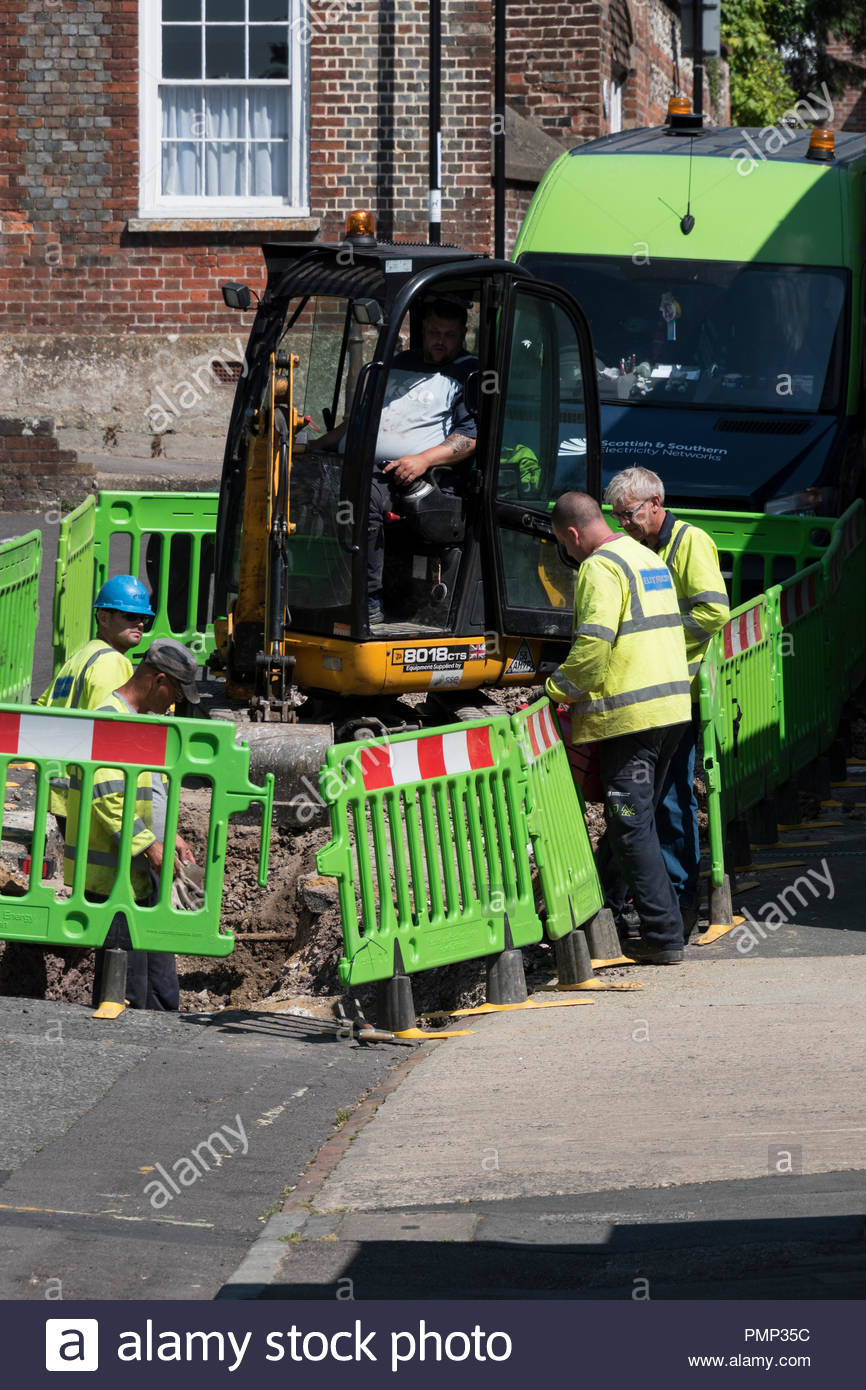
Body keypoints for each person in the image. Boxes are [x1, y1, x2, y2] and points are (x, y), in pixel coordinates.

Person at [545, 492, 691, 964]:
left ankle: (664, 935)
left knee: (631, 826)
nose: (566, 555)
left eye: (562, 545)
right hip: (669, 708)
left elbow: (591, 653)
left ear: (572, 534)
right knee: (632, 818)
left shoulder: (599, 568)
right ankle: (606, 909)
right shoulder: (645, 558)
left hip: (630, 718)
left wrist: (553, 690)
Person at [604, 468, 729, 940]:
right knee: (658, 796)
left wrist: (664, 644)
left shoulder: (689, 542)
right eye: (617, 517)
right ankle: (662, 897)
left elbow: (714, 610)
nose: (624, 525)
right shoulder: (640, 547)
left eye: (630, 514)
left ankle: (679, 900)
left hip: (681, 687)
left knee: (673, 794)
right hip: (659, 691)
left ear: (656, 503)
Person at [314, 299, 478, 622]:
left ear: (462, 336)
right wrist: (316, 446)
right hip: (369, 465)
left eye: (448, 334)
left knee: (365, 495)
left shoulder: (468, 372)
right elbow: (361, 419)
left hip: (423, 479)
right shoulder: (400, 363)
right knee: (308, 485)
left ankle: (368, 599)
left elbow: (468, 439)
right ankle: (314, 594)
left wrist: (422, 460)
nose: (439, 340)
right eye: (433, 332)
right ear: (423, 331)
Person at [64, 638, 200, 1012]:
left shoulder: (144, 720)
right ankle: (113, 1055)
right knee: (125, 988)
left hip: (139, 875)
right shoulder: (111, 717)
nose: (174, 703)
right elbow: (108, 793)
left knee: (158, 989)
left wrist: (170, 836)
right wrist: (149, 845)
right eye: (174, 692)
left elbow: (149, 789)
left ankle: (156, 1051)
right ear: (158, 680)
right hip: (112, 881)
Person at [36, 575, 155, 834]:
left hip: (62, 789)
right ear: (103, 617)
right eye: (129, 616)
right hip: (89, 792)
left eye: (144, 618)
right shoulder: (113, 663)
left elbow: (42, 709)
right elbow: (112, 732)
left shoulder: (80, 657)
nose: (140, 624)